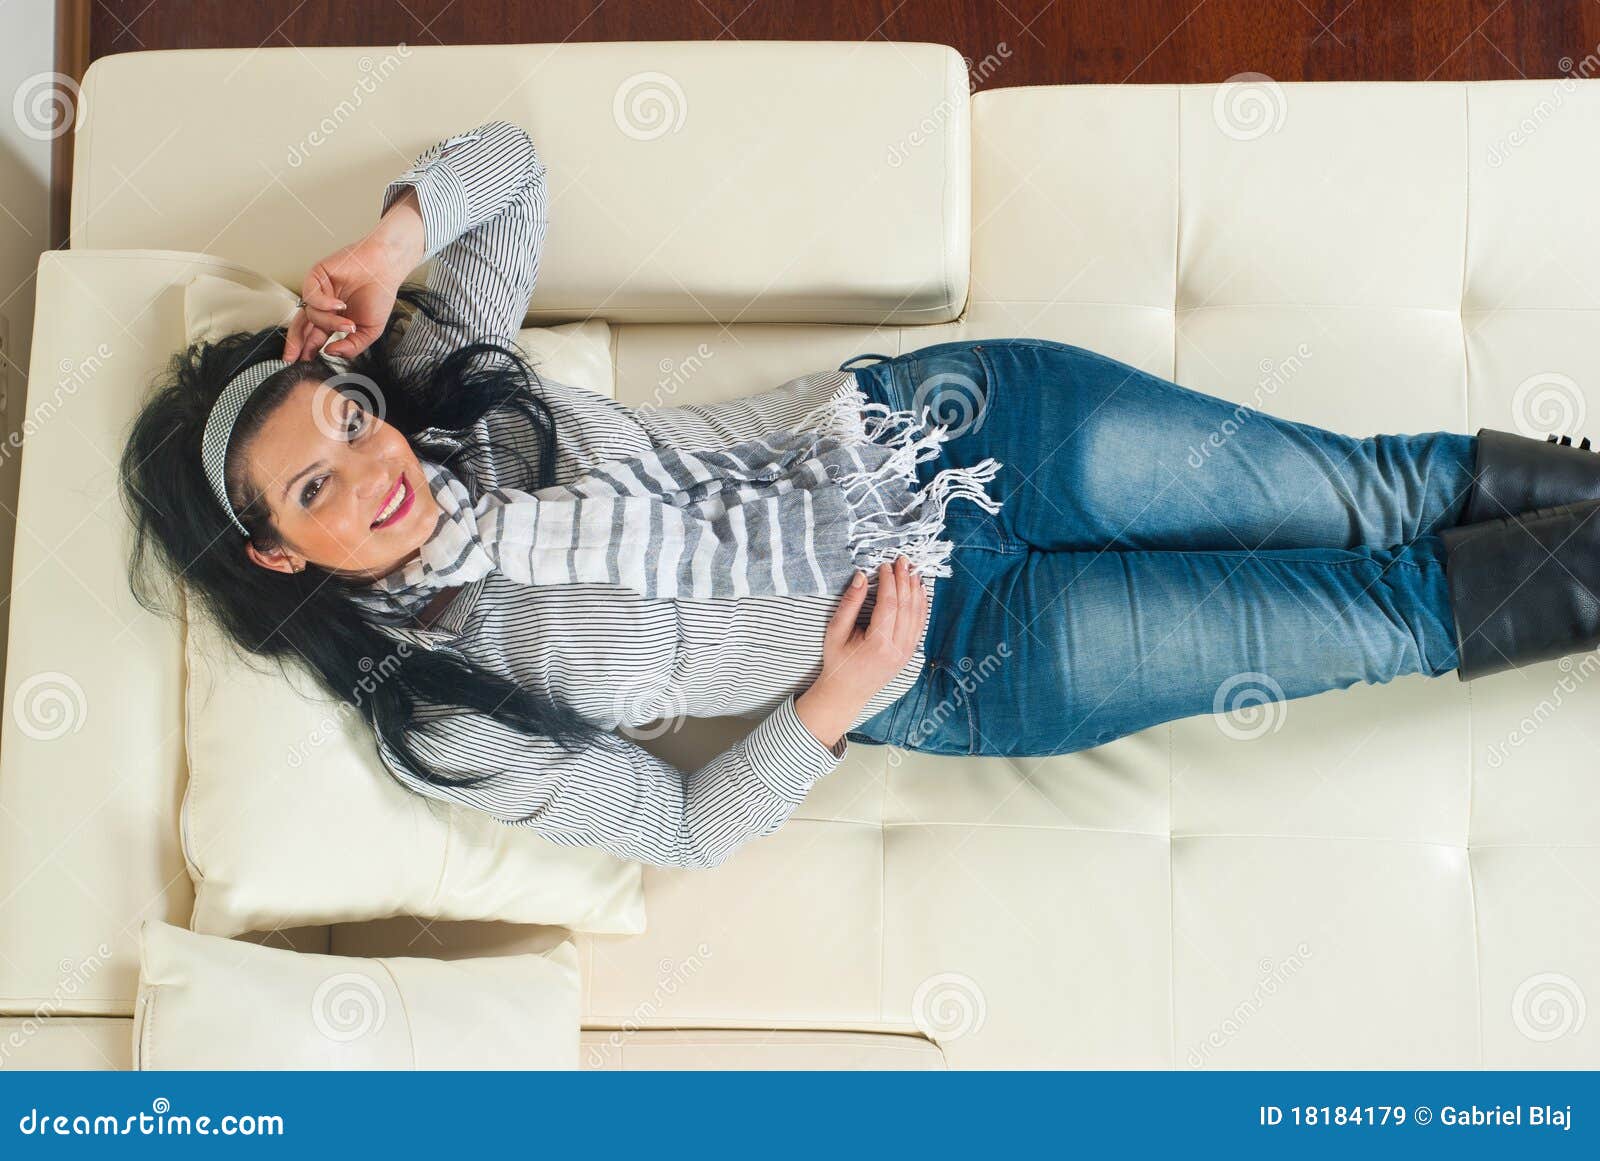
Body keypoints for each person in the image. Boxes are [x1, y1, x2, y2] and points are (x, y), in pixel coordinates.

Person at [118, 119, 1600, 870]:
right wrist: (834, 699)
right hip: (960, 655)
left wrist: (390, 244)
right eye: (317, 483)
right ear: (275, 545)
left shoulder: (456, 386)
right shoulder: (442, 706)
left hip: (955, 434)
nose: (373, 471)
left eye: (350, 423)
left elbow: (515, 165)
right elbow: (684, 827)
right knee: (1388, 611)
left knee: (1367, 489)